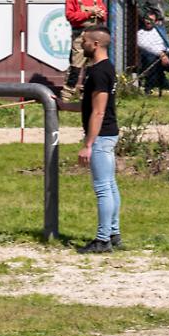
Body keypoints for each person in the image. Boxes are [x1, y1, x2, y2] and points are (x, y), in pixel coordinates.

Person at [58, 26, 121, 253]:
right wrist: (64, 106)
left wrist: (88, 144)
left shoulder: (99, 72)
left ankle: (103, 240)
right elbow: (89, 107)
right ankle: (113, 234)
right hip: (105, 134)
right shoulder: (104, 69)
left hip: (101, 136)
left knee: (103, 188)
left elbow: (98, 111)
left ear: (95, 44)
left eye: (84, 41)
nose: (80, 44)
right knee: (110, 186)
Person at [63, 0, 107, 94]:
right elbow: (70, 16)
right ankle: (67, 94)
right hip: (79, 35)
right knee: (76, 65)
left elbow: (104, 15)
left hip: (94, 35)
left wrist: (101, 14)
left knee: (91, 66)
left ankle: (86, 93)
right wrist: (89, 13)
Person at [136, 12, 169, 94]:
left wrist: (167, 53)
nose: (148, 22)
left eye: (151, 20)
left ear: (156, 21)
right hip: (151, 56)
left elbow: (166, 44)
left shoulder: (160, 31)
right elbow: (145, 46)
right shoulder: (140, 33)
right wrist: (161, 55)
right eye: (147, 19)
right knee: (151, 59)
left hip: (165, 54)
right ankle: (149, 88)